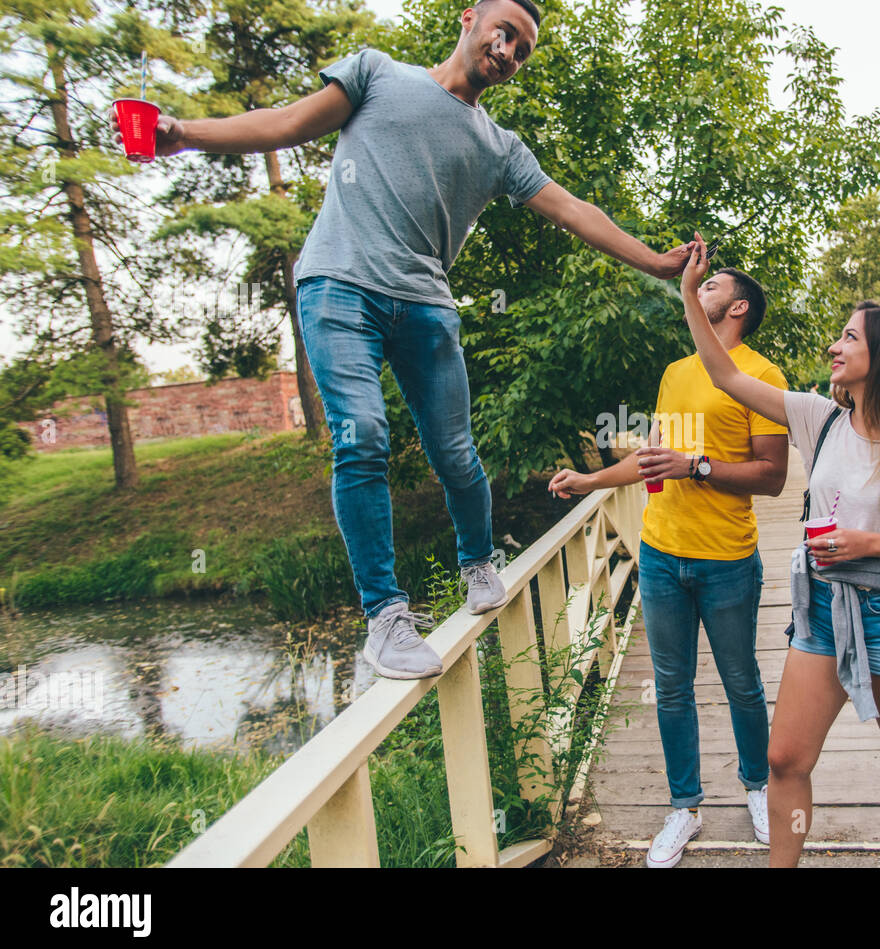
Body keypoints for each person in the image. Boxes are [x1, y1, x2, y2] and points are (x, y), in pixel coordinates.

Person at [115, 0, 692, 680]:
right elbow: (285, 124)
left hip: (425, 306)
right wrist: (183, 132)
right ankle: (385, 617)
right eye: (504, 32)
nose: (509, 51)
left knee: (455, 452)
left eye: (524, 49)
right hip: (338, 285)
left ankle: (477, 558)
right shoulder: (376, 74)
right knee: (361, 434)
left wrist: (655, 261)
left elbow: (574, 211)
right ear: (471, 18)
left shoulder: (501, 147)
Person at [676, 236, 880, 867]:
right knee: (786, 759)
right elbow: (725, 373)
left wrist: (872, 543)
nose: (834, 347)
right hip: (820, 613)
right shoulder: (820, 419)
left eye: (849, 337)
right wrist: (689, 291)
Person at [548, 267, 789, 867]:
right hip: (659, 556)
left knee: (741, 683)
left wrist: (698, 466)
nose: (701, 290)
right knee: (672, 689)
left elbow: (774, 476)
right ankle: (685, 807)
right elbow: (655, 462)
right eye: (699, 287)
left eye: (713, 287)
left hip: (727, 559)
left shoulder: (762, 377)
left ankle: (758, 789)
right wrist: (591, 481)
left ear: (739, 309)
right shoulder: (676, 374)